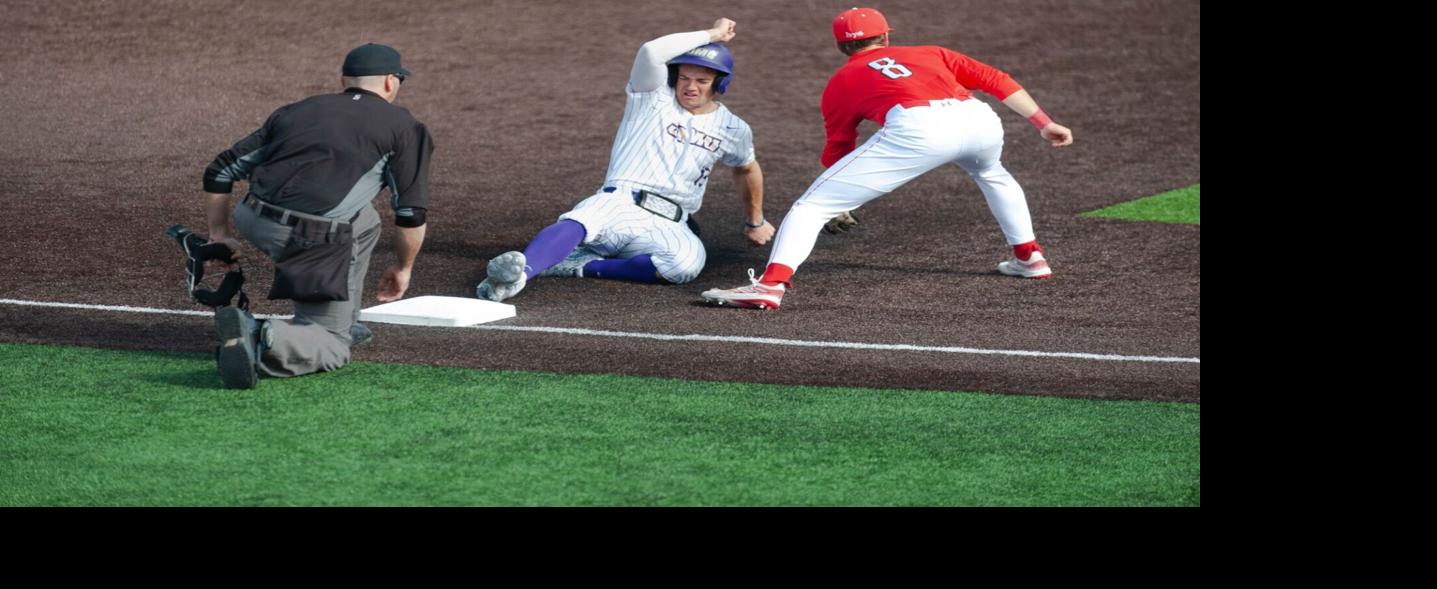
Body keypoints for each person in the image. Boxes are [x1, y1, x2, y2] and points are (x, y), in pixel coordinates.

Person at [701, 7, 1073, 310]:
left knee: (811, 206)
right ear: (886, 36)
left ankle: (771, 285)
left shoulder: (842, 81)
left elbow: (839, 144)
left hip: (918, 127)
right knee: (993, 174)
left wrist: (841, 202)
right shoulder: (931, 52)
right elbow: (995, 79)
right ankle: (1030, 257)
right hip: (978, 119)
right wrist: (1044, 122)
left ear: (841, 47)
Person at [475, 17, 774, 303]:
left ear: (720, 84)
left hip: (670, 222)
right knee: (582, 220)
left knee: (685, 266)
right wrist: (712, 34)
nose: (690, 87)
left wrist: (754, 220)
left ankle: (579, 264)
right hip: (619, 202)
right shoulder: (653, 96)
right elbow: (651, 52)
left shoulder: (733, 128)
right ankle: (520, 275)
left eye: (702, 80)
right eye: (683, 77)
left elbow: (746, 168)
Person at [199, 43, 434, 389]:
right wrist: (403, 268)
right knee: (333, 347)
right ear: (389, 82)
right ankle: (261, 333)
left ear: (344, 80)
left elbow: (220, 170)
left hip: (251, 216)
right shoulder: (404, 127)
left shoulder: (299, 110)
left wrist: (218, 235)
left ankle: (345, 318)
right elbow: (410, 213)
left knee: (365, 221)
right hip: (309, 236)